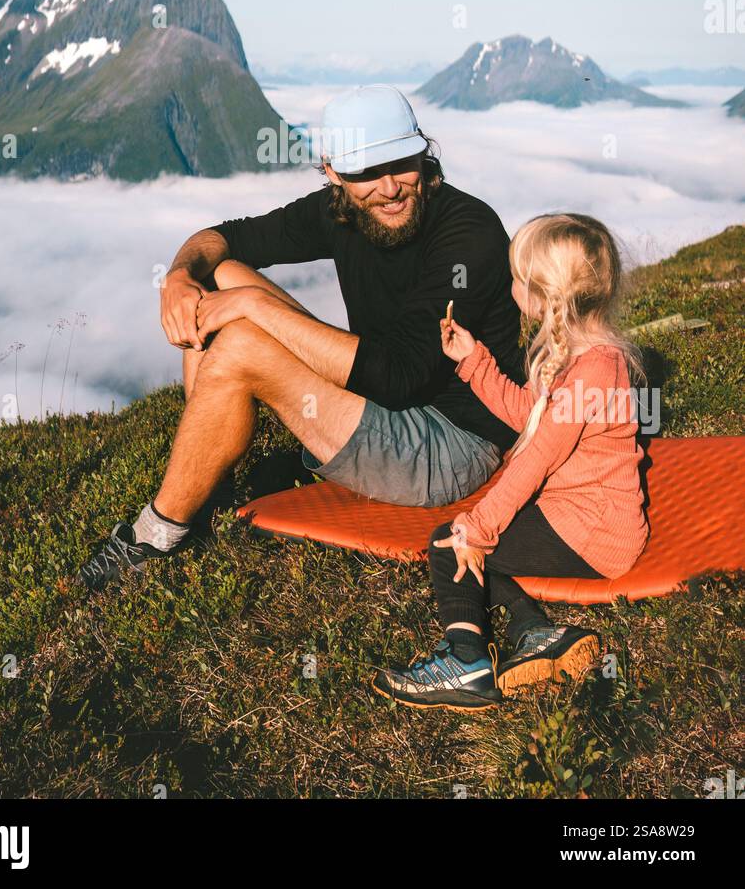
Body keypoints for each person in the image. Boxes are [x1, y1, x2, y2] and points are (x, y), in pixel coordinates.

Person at [77, 84, 522, 593]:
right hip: (382, 400)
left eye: (401, 163)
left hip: (453, 445)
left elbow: (403, 375)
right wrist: (178, 276)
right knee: (220, 273)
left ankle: (156, 537)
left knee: (242, 340)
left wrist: (254, 307)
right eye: (364, 173)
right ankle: (205, 486)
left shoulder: (470, 234)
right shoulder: (340, 211)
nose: (389, 187)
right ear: (333, 174)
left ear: (423, 154)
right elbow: (225, 237)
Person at [371, 212, 648, 711]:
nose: (511, 285)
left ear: (546, 294)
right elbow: (531, 418)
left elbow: (538, 457)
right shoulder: (578, 355)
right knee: (474, 547)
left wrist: (477, 528)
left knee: (447, 545)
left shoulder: (595, 368)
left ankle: (466, 661)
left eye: (519, 278)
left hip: (593, 531)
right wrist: (474, 361)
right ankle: (535, 630)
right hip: (578, 518)